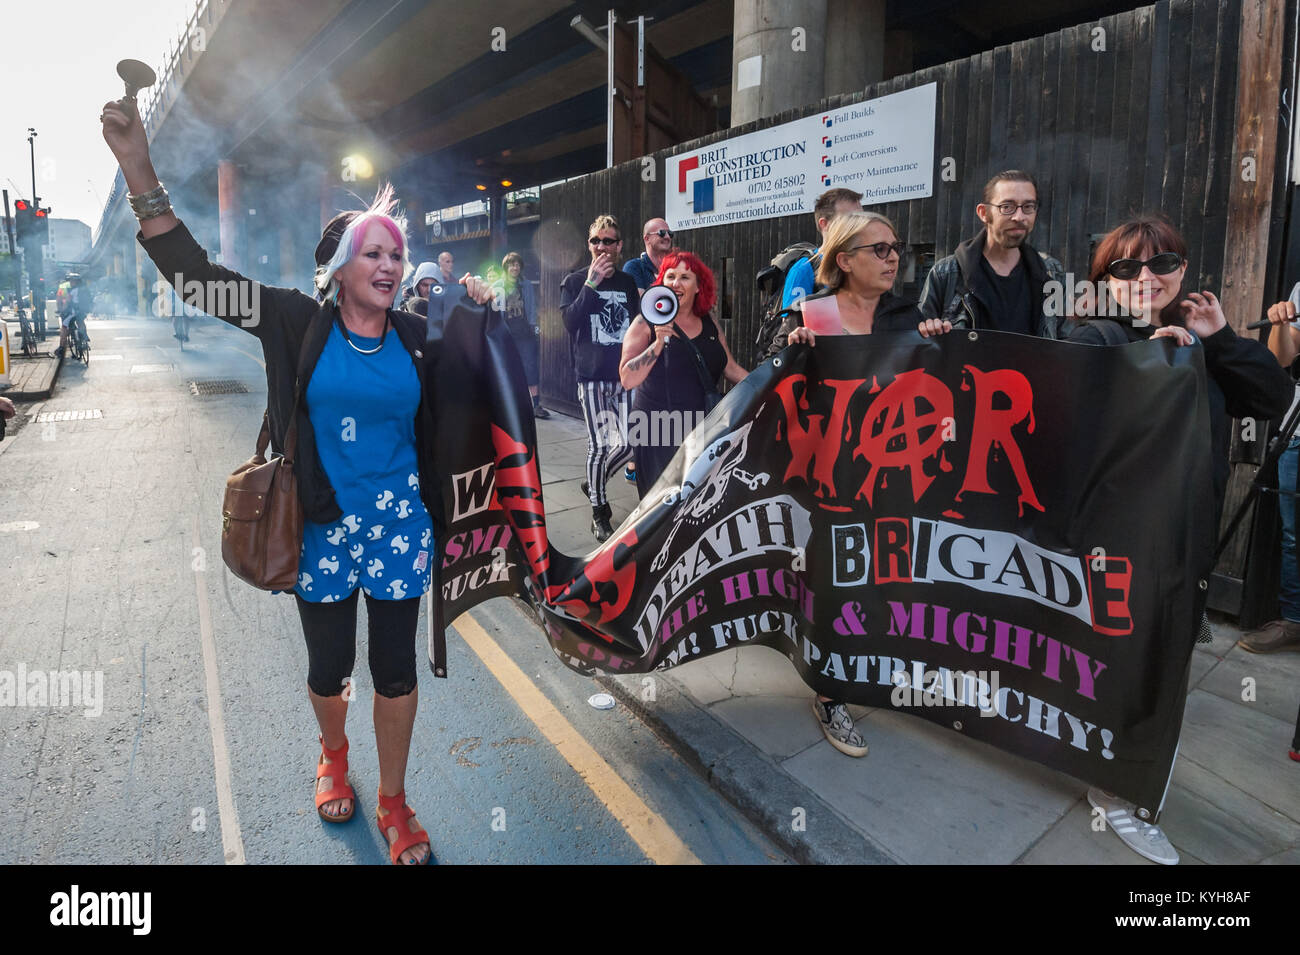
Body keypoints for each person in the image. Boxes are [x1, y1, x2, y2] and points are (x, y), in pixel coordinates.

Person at [101, 96, 496, 865]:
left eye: (395, 254)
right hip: (318, 523)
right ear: (341, 268)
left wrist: (488, 314)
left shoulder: (418, 338)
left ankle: (393, 800)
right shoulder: (292, 320)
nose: (389, 265)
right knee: (328, 669)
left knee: (395, 670)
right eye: (373, 253)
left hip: (398, 530)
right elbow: (197, 281)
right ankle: (333, 754)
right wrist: (140, 171)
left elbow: (484, 398)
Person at [1067, 215, 1292, 864]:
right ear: (1103, 280)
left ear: (1183, 272)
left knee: (1162, 664)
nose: (1146, 278)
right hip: (1116, 546)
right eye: (1127, 268)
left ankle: (1121, 780)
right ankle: (1117, 792)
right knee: (1124, 666)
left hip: (1184, 545)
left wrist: (1217, 339)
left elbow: (1272, 399)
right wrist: (1145, 368)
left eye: (1162, 264)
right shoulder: (1093, 337)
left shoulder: (1200, 339)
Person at [781, 210, 941, 760]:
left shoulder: (907, 314)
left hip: (897, 473)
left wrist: (940, 342)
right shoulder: (816, 313)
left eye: (896, 248)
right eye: (879, 249)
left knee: (888, 577)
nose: (893, 257)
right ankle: (830, 693)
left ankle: (877, 669)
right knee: (836, 582)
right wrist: (796, 348)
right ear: (843, 260)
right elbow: (789, 393)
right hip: (835, 478)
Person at [618, 250, 747, 496]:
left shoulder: (708, 322)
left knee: (697, 505)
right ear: (661, 282)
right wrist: (657, 344)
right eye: (670, 276)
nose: (676, 283)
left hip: (701, 429)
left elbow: (730, 367)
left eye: (685, 277)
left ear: (699, 286)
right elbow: (627, 378)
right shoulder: (645, 322)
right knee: (662, 509)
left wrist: (769, 385)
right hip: (658, 431)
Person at [561, 214, 638, 542]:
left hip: (624, 374)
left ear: (619, 246)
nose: (602, 247)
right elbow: (570, 322)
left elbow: (637, 325)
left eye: (609, 241)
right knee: (600, 444)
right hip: (591, 377)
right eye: (596, 241)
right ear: (589, 245)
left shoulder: (627, 283)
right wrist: (591, 283)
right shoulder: (575, 280)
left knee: (634, 441)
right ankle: (599, 509)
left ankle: (595, 481)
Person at [919, 170, 1065, 338]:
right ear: (983, 213)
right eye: (1007, 207)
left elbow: (1066, 343)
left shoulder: (1053, 274)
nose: (1019, 216)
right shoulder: (946, 274)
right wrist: (928, 329)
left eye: (1028, 207)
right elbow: (921, 344)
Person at [1238, 283, 1300, 653]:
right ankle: (1294, 621)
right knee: (1294, 535)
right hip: (1298, 432)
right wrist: (1279, 322)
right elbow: (1281, 359)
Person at [780, 187, 864, 311]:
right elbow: (790, 326)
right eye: (850, 219)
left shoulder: (862, 265)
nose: (859, 225)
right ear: (824, 224)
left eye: (862, 218)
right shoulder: (804, 270)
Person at [499, 252, 549, 419]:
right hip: (507, 333)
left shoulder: (526, 284)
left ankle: (535, 405)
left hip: (525, 332)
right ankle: (511, 405)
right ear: (506, 267)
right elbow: (495, 311)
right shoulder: (498, 285)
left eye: (517, 265)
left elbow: (532, 307)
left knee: (530, 367)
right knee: (508, 368)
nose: (515, 267)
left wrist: (534, 327)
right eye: (512, 264)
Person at [623, 218, 673, 294]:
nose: (667, 237)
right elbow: (641, 303)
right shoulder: (634, 267)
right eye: (661, 233)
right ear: (647, 238)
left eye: (670, 233)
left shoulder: (675, 267)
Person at [55, 273, 92, 358]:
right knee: (80, 321)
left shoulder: (63, 287)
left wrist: (61, 310)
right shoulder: (83, 287)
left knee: (64, 327)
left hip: (70, 311)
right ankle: (84, 338)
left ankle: (61, 348)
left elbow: (61, 300)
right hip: (82, 311)